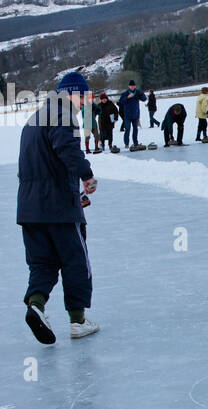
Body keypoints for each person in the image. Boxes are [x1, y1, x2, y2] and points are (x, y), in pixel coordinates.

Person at [17, 71, 100, 344]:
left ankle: (36, 306)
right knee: (75, 259)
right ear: (72, 93)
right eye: (84, 96)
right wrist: (86, 174)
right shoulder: (62, 114)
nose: (85, 102)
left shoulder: (34, 118)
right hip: (59, 207)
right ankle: (78, 320)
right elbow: (66, 148)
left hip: (30, 208)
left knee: (42, 262)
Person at [117, 79, 146, 149]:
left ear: (135, 86)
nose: (132, 87)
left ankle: (135, 142)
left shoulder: (137, 92)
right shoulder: (125, 93)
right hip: (127, 115)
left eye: (133, 86)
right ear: (128, 86)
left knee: (135, 129)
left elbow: (144, 99)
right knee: (127, 129)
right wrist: (127, 97)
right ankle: (126, 143)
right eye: (131, 86)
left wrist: (141, 93)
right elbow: (120, 102)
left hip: (135, 115)